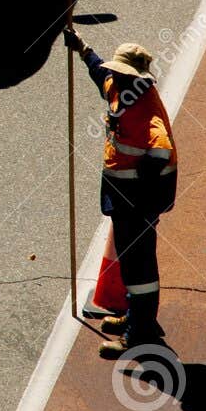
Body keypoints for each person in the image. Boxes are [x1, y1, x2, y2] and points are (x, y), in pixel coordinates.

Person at [63, 25, 177, 358]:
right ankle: (135, 314)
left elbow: (162, 147)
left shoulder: (145, 105)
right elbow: (100, 72)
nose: (116, 77)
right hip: (123, 189)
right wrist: (81, 47)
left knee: (138, 265)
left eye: (123, 74)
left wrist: (146, 174)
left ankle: (138, 332)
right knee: (130, 260)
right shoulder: (118, 85)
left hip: (141, 196)